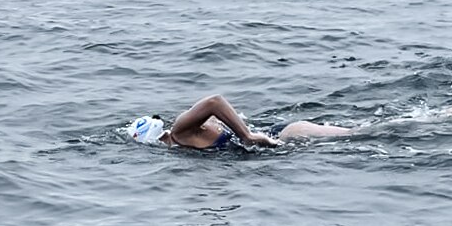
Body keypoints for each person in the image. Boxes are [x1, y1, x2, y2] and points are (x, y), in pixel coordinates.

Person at [127, 91, 361, 151]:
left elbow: (214, 101)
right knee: (356, 136)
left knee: (360, 136)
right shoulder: (185, 140)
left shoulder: (180, 131)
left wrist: (246, 135)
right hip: (280, 140)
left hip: (288, 135)